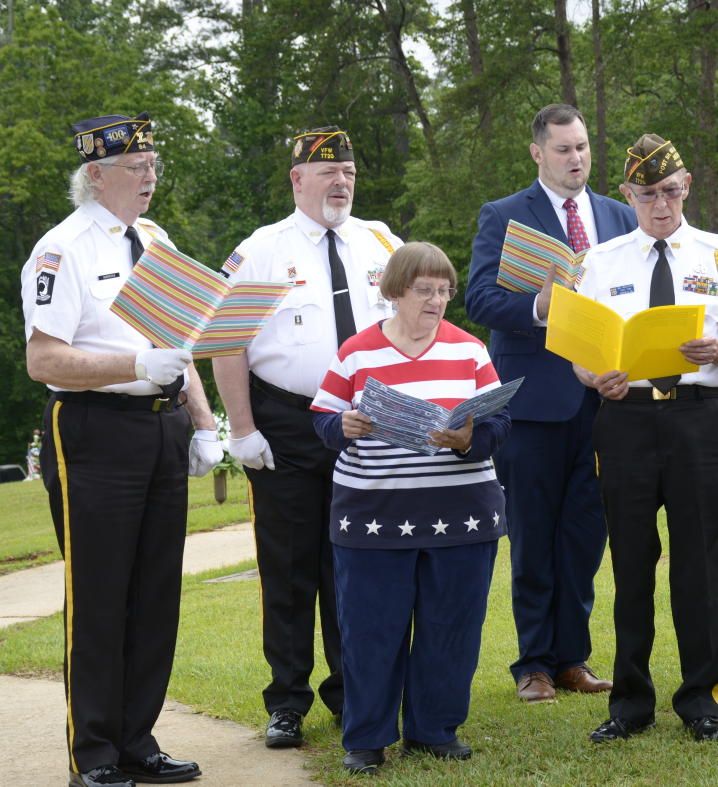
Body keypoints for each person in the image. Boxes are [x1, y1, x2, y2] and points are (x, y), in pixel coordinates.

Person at [21, 112, 221, 787]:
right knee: (101, 595)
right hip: (94, 430)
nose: (151, 177)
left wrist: (204, 422)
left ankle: (137, 739)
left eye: (154, 165)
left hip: (162, 426)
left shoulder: (155, 238)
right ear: (97, 174)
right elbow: (43, 358)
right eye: (138, 168)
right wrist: (134, 367)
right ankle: (94, 753)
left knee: (156, 591)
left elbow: (181, 340)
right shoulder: (63, 248)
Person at [573, 134, 718, 743]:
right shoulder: (600, 261)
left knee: (697, 564)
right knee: (631, 565)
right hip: (624, 419)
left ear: (686, 189)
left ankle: (700, 701)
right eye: (648, 193)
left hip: (695, 419)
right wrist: (593, 377)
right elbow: (582, 351)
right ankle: (629, 703)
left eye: (672, 191)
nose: (661, 203)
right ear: (628, 194)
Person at [212, 126, 403, 747]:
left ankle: (354, 695)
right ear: (297, 180)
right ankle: (287, 700)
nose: (341, 182)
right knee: (291, 567)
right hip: (288, 426)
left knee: (360, 562)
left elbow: (416, 328)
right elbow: (226, 343)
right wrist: (241, 430)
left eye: (348, 172)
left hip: (369, 423)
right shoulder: (260, 251)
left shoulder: (381, 243)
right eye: (327, 173)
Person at [309, 243, 510, 774]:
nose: (437, 300)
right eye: (425, 290)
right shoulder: (357, 352)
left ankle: (433, 730)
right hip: (372, 517)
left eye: (444, 291)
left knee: (452, 627)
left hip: (463, 515)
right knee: (371, 629)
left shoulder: (469, 350)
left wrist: (468, 438)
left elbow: (498, 426)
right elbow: (324, 419)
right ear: (395, 290)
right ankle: (367, 738)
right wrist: (343, 426)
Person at [464, 104, 637, 702]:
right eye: (563, 149)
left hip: (608, 402)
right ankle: (532, 664)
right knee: (534, 538)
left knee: (586, 539)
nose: (577, 158)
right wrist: (541, 306)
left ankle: (572, 660)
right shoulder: (506, 215)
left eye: (584, 146)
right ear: (538, 152)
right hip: (533, 405)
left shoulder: (620, 216)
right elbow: (481, 299)